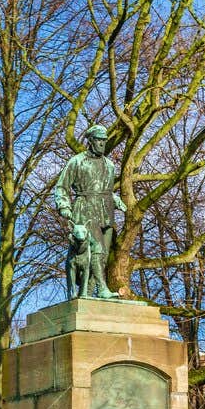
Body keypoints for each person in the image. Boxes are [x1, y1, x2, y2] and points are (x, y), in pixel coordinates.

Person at [52, 124, 125, 299]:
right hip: (84, 210)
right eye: (99, 140)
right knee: (97, 249)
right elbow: (61, 187)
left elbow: (106, 189)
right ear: (90, 141)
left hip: (106, 212)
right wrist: (63, 205)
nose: (102, 144)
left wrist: (116, 200)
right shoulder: (76, 161)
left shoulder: (109, 165)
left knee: (102, 257)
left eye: (104, 141)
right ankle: (102, 289)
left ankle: (89, 293)